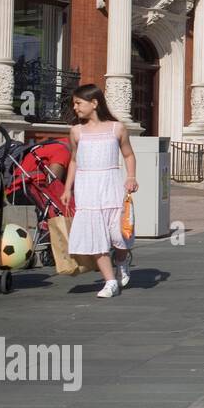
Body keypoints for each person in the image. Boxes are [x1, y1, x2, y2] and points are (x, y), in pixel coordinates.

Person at [62, 84, 138, 299]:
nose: (75, 107)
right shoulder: (76, 131)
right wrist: (68, 188)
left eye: (78, 103)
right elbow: (74, 161)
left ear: (94, 103)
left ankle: (122, 261)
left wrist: (131, 177)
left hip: (111, 186)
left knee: (120, 236)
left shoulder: (117, 128)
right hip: (87, 188)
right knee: (95, 236)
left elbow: (129, 155)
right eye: (74, 103)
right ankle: (110, 281)